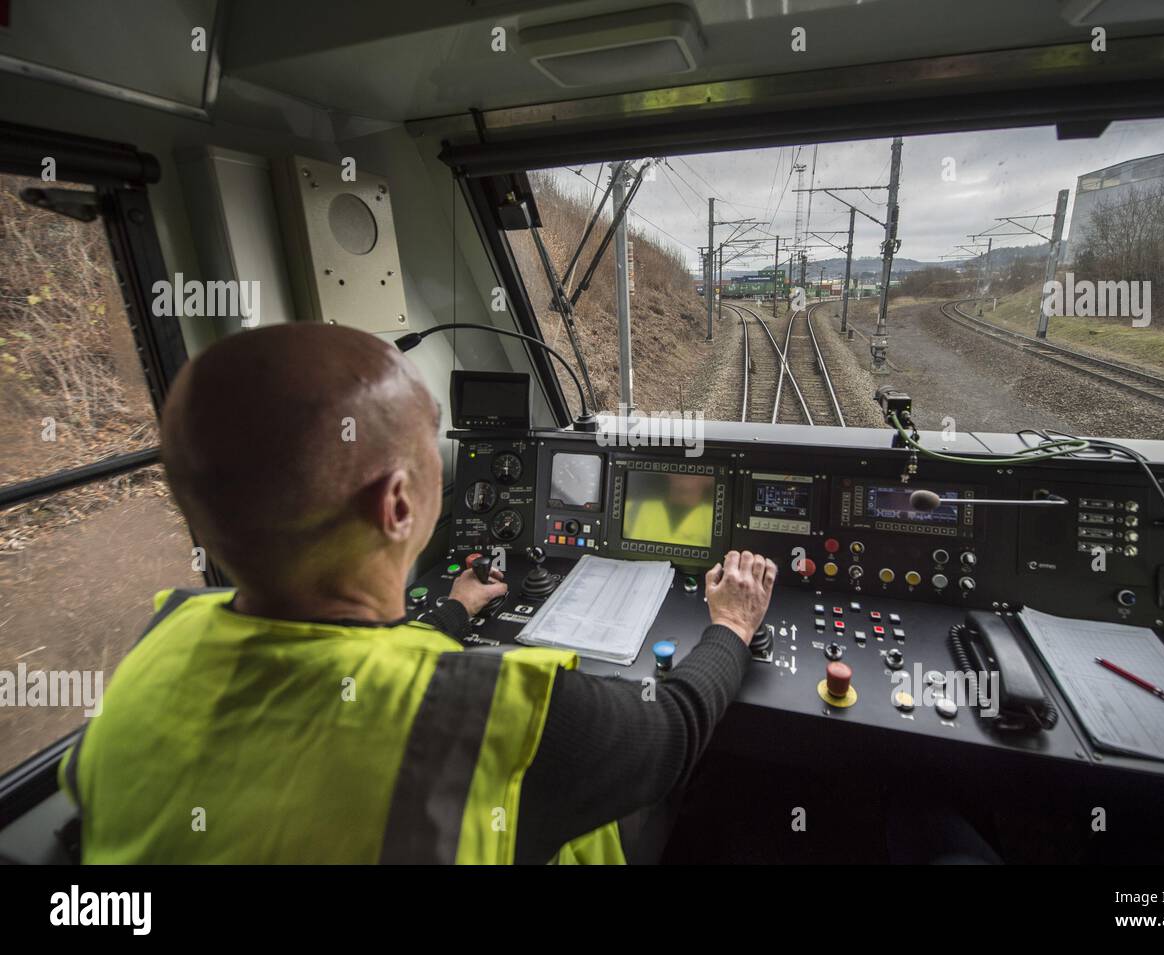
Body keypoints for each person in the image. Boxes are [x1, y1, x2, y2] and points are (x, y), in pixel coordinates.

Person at [59, 323, 776, 864]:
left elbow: (347, 679)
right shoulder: (496, 712)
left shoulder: (155, 650)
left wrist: (454, 609)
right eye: (431, 439)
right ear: (399, 505)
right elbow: (671, 733)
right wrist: (733, 626)